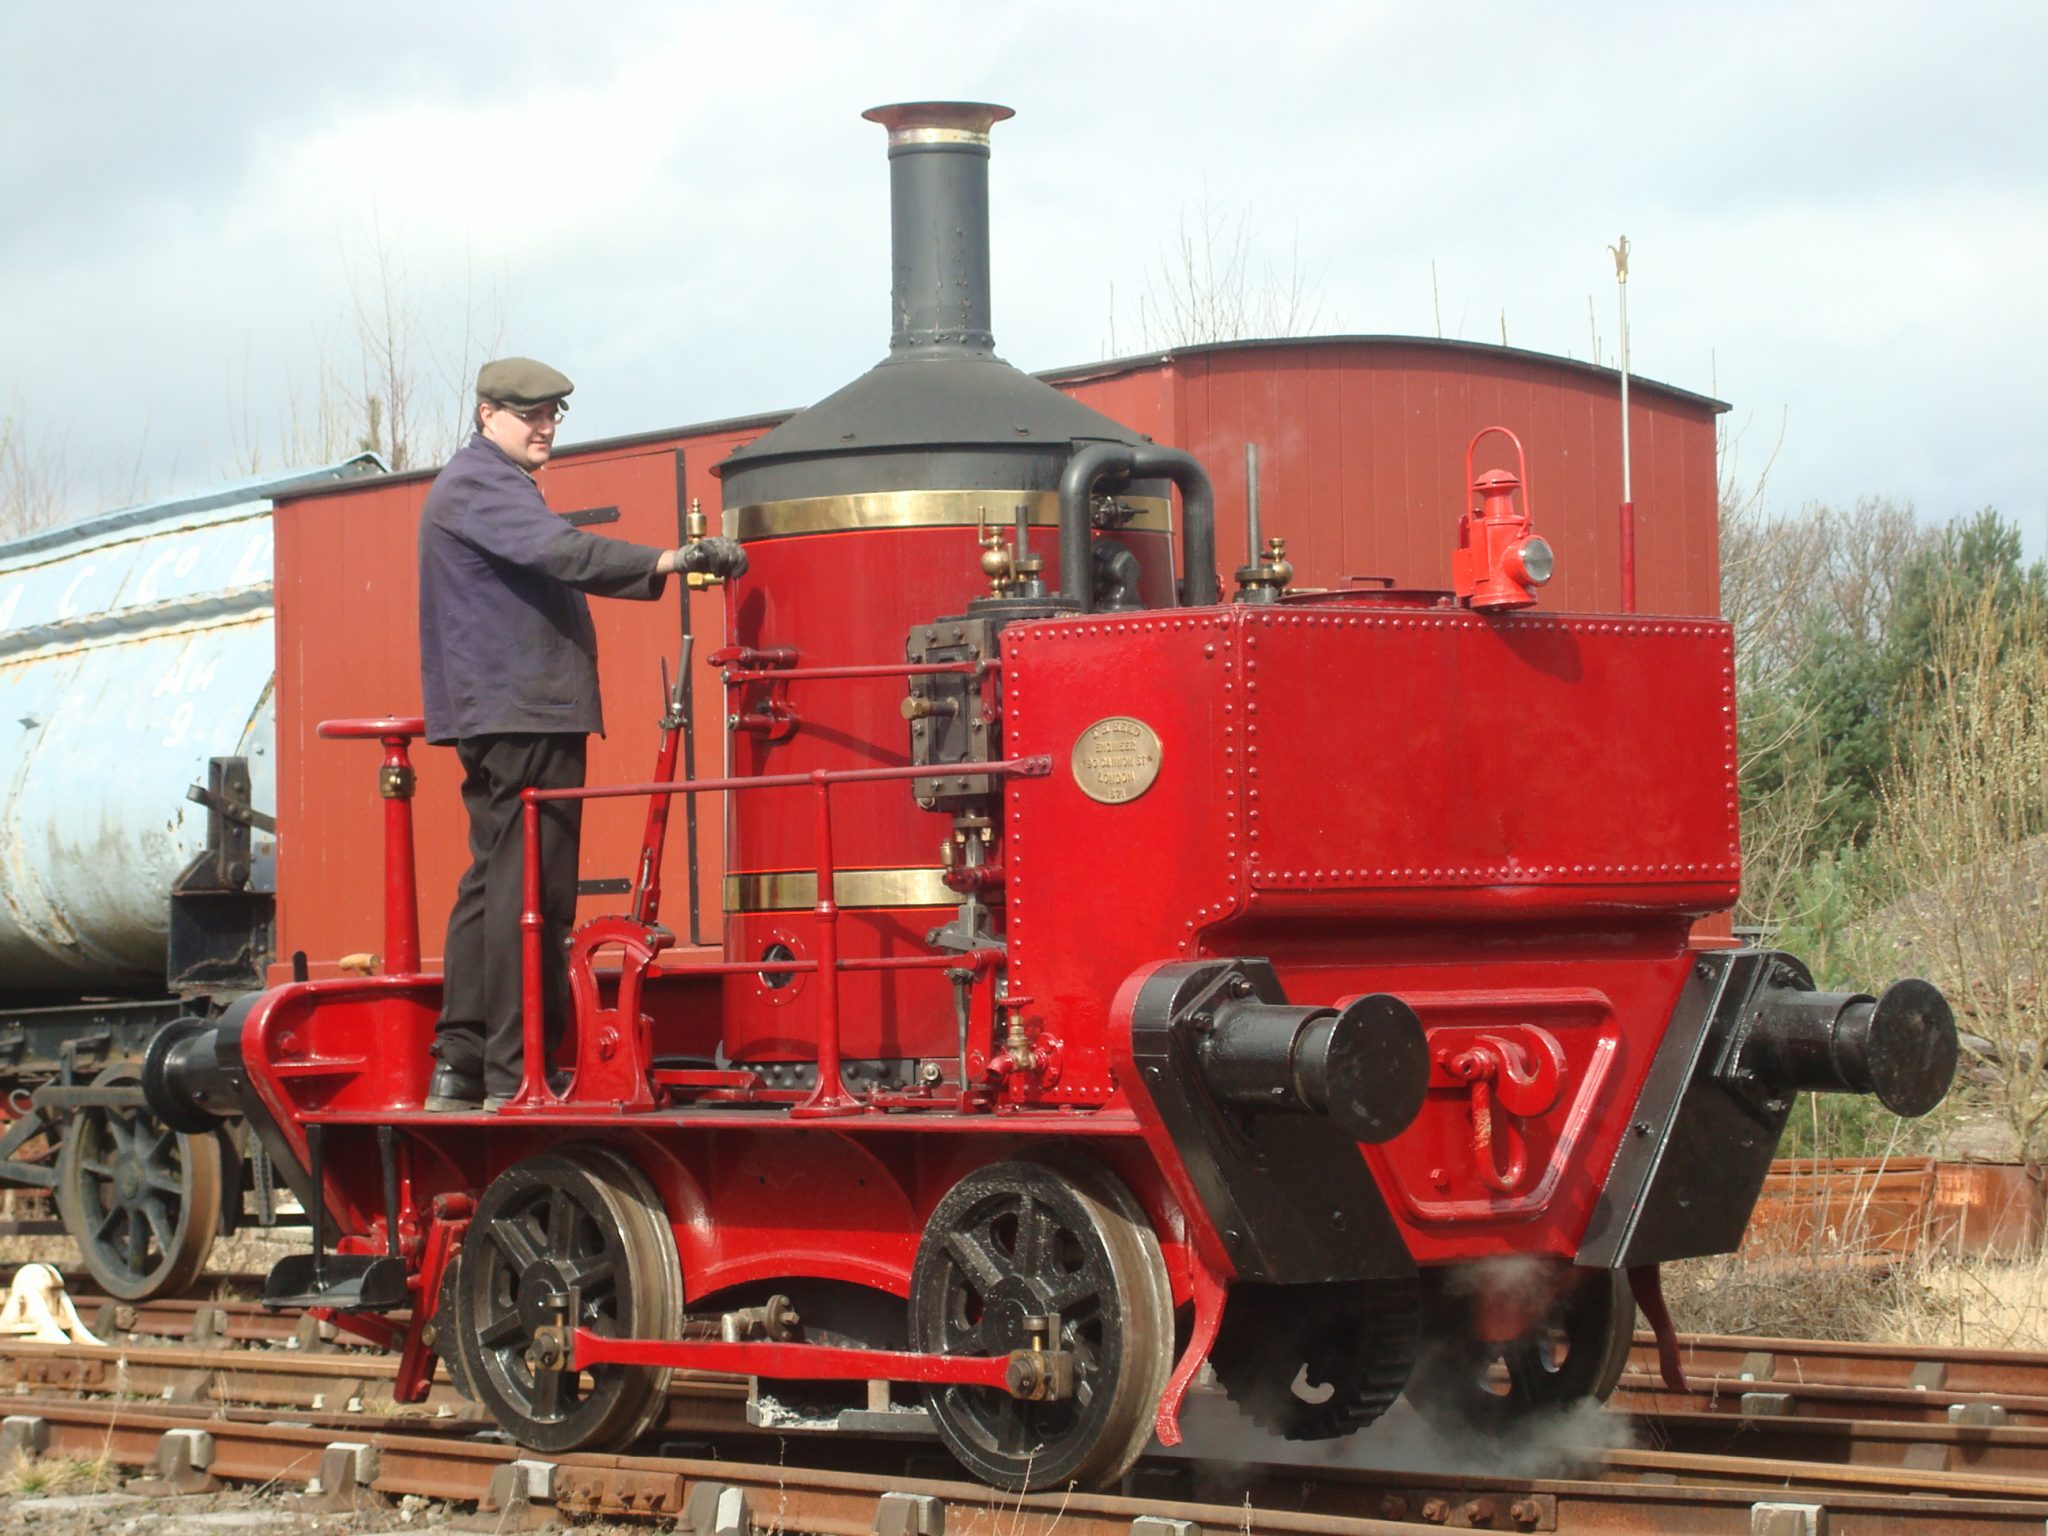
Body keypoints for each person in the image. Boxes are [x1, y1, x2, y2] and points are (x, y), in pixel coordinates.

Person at [416, 357, 745, 1112]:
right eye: (529, 414)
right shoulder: (480, 485)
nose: (545, 428)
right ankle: (518, 1072)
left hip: (506, 713)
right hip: (524, 712)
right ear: (486, 414)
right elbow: (564, 551)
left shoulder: (482, 484)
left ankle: (463, 1065)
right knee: (533, 892)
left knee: (494, 884)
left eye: (553, 415)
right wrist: (674, 559)